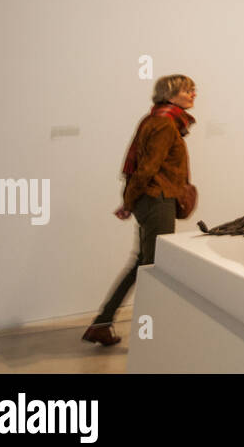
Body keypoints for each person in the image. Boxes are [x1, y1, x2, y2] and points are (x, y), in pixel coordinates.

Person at [82, 74, 197, 347]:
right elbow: (146, 169)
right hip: (156, 200)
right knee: (153, 268)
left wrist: (131, 201)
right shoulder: (164, 124)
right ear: (171, 95)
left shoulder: (156, 119)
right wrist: (128, 203)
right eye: (187, 90)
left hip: (153, 199)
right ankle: (151, 334)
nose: (193, 94)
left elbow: (140, 167)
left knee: (143, 265)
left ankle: (102, 324)